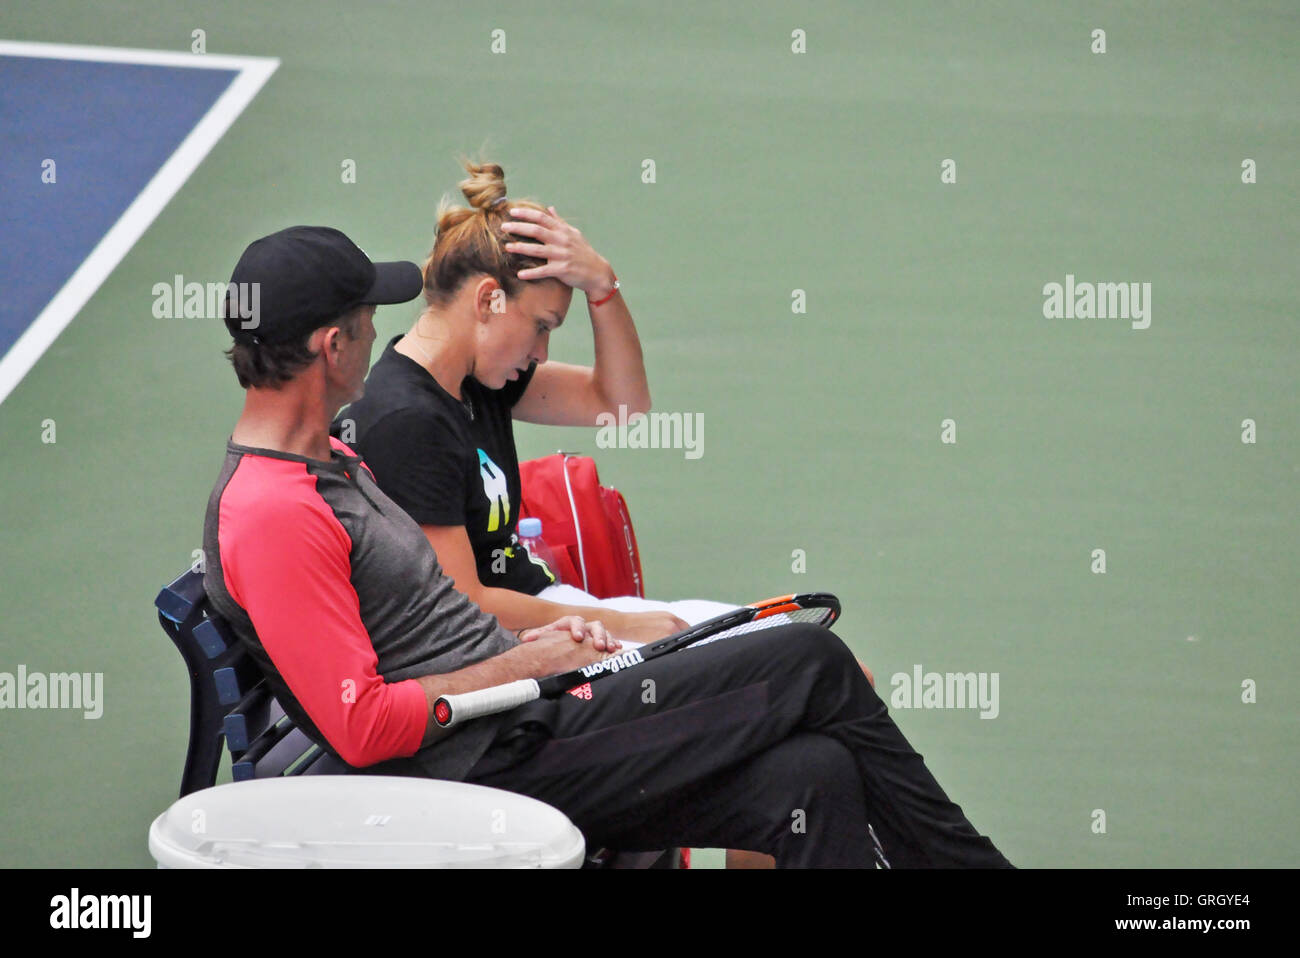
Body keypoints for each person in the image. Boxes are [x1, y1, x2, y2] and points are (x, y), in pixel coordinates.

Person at [201, 224, 1014, 868]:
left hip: (528, 717)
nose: (380, 330)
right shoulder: (274, 512)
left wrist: (547, 645)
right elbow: (364, 728)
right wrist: (526, 662)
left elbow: (430, 624)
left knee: (813, 779)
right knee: (812, 662)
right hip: (487, 761)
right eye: (364, 318)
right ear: (329, 348)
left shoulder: (322, 460)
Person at [332, 160, 733, 646]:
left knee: (807, 654)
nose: (541, 353)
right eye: (541, 325)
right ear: (488, 302)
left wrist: (603, 287)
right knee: (797, 662)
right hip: (528, 650)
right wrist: (628, 626)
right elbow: (464, 604)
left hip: (563, 617)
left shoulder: (474, 378)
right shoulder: (407, 422)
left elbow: (621, 404)